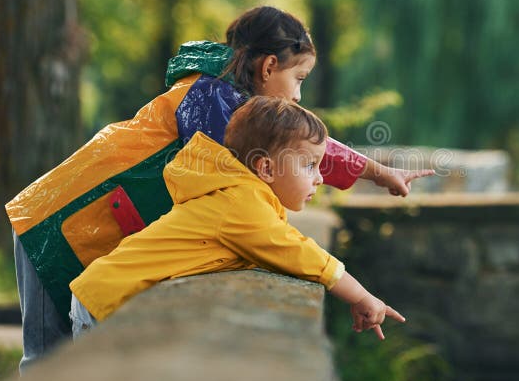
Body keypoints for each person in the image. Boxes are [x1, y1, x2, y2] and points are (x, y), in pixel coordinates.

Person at [7, 6, 432, 372]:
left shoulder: (220, 98)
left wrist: (377, 171)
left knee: (64, 366)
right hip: (53, 224)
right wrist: (374, 172)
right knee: (47, 365)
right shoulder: (211, 101)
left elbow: (294, 147)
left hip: (84, 224)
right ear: (268, 68)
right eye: (299, 78)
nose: (299, 95)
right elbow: (292, 148)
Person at [69, 96, 405, 340]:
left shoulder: (241, 195)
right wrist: (361, 295)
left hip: (112, 292)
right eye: (309, 166)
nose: (319, 178)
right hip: (110, 298)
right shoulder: (239, 204)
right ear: (266, 168)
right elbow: (296, 251)